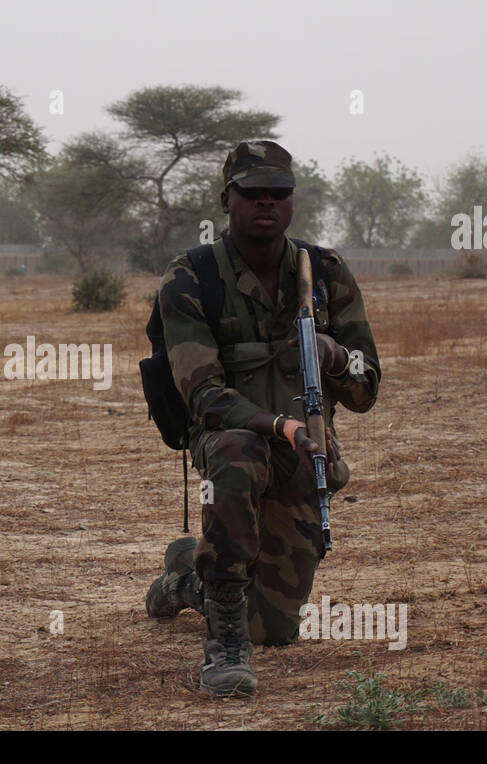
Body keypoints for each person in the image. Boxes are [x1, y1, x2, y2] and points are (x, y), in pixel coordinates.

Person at [145, 140, 381, 697]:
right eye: (253, 193)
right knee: (238, 453)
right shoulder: (192, 276)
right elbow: (204, 395)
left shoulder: (323, 272)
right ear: (226, 199)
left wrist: (334, 356)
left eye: (279, 192)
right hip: (230, 441)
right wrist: (280, 427)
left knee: (273, 631)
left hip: (305, 453)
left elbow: (366, 387)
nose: (267, 202)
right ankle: (224, 647)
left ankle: (186, 581)